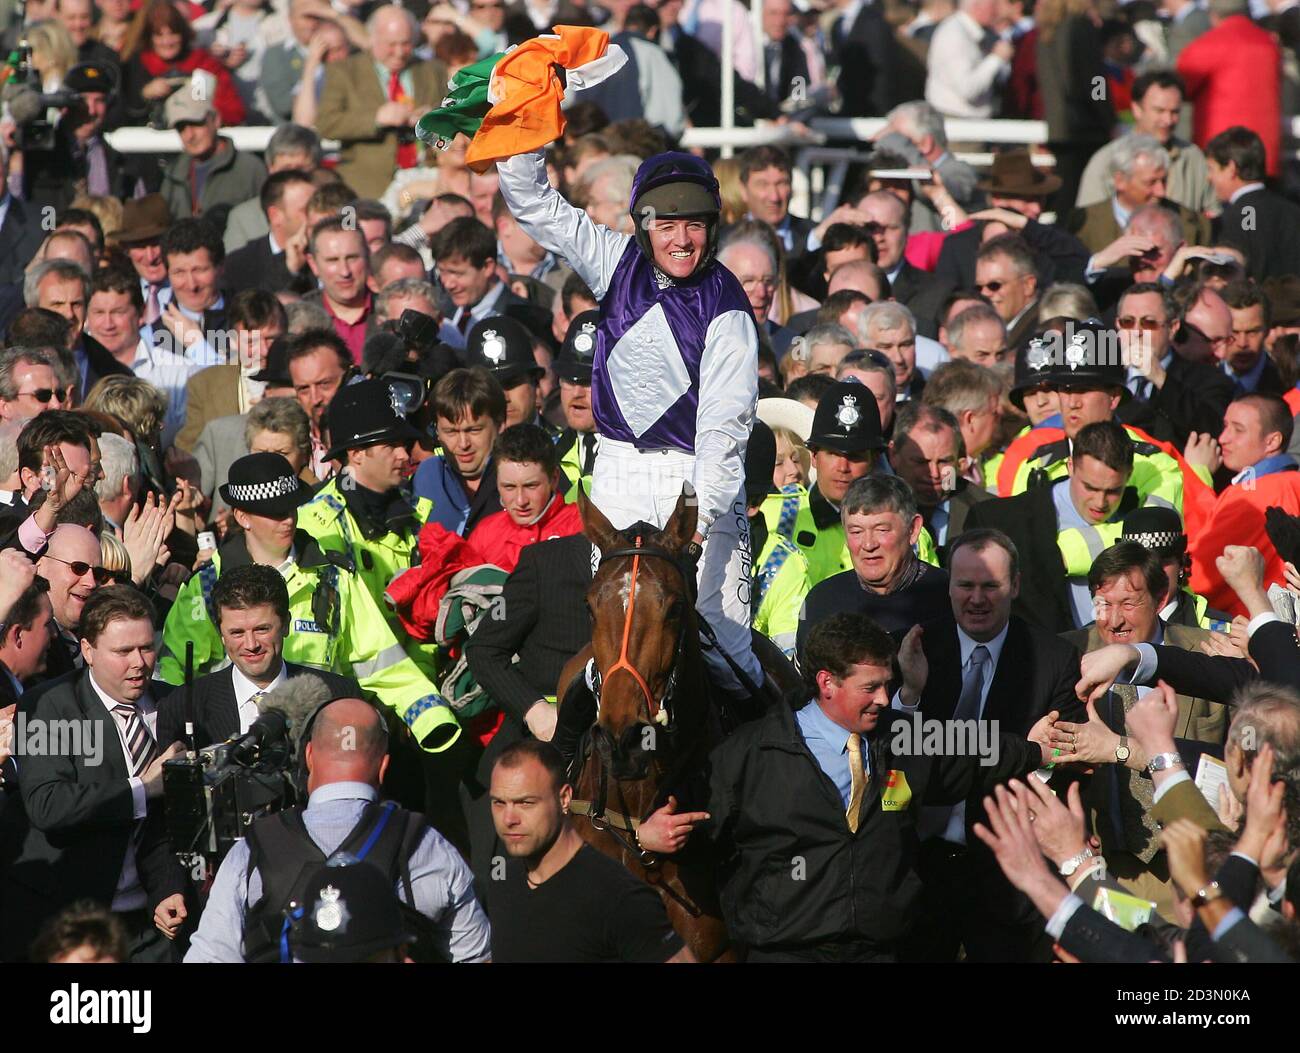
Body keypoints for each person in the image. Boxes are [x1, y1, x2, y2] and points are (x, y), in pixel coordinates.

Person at [634, 611, 1053, 961]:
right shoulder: (749, 754)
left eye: (887, 685)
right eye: (870, 688)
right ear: (826, 683)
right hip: (784, 954)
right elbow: (693, 826)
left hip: (882, 952)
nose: (885, 699)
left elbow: (976, 750)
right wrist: (648, 836)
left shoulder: (905, 738)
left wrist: (1035, 751)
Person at [498, 142, 763, 696]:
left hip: (696, 486)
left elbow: (723, 434)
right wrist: (522, 134)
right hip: (617, 473)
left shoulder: (727, 305)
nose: (681, 240)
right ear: (643, 226)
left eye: (695, 225)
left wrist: (688, 533)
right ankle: (574, 771)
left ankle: (760, 763)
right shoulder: (615, 260)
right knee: (612, 654)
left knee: (727, 654)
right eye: (666, 226)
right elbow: (535, 206)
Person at [157, 460, 456, 752]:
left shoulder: (334, 577)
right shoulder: (208, 584)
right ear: (243, 517)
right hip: (235, 749)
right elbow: (176, 676)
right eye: (274, 513)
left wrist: (430, 718)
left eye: (291, 508)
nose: (287, 519)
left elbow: (380, 660)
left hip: (323, 744)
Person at [185, 689, 490, 963]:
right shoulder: (427, 846)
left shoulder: (251, 851)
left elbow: (210, 955)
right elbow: (476, 955)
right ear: (384, 767)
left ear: (308, 757)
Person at [896, 528, 1083, 962]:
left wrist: (943, 746)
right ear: (949, 586)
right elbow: (900, 746)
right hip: (920, 869)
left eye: (990, 586)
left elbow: (1062, 755)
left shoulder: (1052, 660)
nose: (976, 599)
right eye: (965, 585)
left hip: (1007, 871)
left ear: (1014, 585)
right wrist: (909, 696)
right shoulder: (915, 649)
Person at [0, 586, 185, 962]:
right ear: (88, 650)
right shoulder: (51, 705)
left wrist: (170, 886)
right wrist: (141, 789)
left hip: (152, 924)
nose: (139, 663)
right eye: (123, 652)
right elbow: (48, 804)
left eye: (147, 648)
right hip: (68, 922)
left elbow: (175, 820)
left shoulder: (172, 704)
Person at [1053, 541, 1228, 920]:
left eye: (1129, 604)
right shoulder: (1064, 657)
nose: (1113, 620)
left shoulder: (1209, 654)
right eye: (1102, 604)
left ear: (1161, 596)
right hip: (1107, 867)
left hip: (1193, 864)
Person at [485, 739, 692, 962]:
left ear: (564, 799)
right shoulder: (503, 881)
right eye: (499, 803)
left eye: (525, 803)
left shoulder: (618, 897)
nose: (508, 819)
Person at [966, 420, 1142, 633]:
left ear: (1129, 475)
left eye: (1113, 491)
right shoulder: (1003, 521)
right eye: (1090, 487)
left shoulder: (1140, 516)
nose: (1100, 502)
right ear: (1070, 467)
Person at [796, 474, 950, 661]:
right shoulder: (821, 601)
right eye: (856, 531)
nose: (868, 545)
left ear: (913, 529)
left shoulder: (950, 597)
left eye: (881, 530)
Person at [762, 380, 885, 589]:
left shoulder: (905, 528)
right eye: (833, 453)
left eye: (855, 456)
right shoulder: (771, 518)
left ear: (874, 459)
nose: (843, 467)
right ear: (814, 456)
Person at [316, 5, 446, 199]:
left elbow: (453, 118)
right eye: (391, 44)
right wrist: (377, 118)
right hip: (367, 185)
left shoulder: (432, 70)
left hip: (423, 182)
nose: (400, 52)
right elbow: (327, 123)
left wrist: (431, 118)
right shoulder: (345, 71)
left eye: (406, 43)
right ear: (372, 39)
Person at [1187, 393, 1300, 616]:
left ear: (1272, 441)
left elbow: (1201, 575)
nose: (1223, 438)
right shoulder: (1291, 483)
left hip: (1249, 625)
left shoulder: (1256, 492)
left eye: (1238, 430)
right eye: (1225, 426)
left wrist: (1194, 476)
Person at [1074, 70, 1217, 216]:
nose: (1168, 120)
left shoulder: (1193, 157)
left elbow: (1212, 212)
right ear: (1137, 109)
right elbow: (1089, 221)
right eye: (1159, 111)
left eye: (1175, 112)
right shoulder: (1106, 160)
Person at [1114, 282, 1235, 449]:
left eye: (1148, 323)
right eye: (1127, 322)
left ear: (1172, 328)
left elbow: (1212, 428)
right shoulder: (1104, 376)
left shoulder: (1207, 378)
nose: (1137, 332)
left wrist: (1161, 379)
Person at [1178, 1, 1281, 182]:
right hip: (1265, 153)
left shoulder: (1208, 45)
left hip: (1223, 155)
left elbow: (1180, 86)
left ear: (1213, 14)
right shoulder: (1268, 43)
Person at [467, 425, 583, 574]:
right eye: (509, 487)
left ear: (554, 479)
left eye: (531, 486)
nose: (521, 501)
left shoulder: (582, 526)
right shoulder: (485, 534)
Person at [890, 401, 991, 564]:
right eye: (920, 462)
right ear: (894, 455)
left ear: (960, 462)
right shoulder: (875, 510)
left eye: (944, 462)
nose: (934, 474)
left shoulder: (987, 512)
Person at [414, 368, 506, 535]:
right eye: (451, 432)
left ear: (500, 425)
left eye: (474, 430)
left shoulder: (523, 473)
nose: (463, 444)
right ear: (436, 431)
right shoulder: (425, 478)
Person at [156, 91, 267, 229]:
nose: (189, 135)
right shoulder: (173, 174)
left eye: (196, 123)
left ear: (216, 120)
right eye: (181, 128)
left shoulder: (251, 169)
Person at [1206, 125, 1300, 280]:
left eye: (1211, 169)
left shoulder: (1237, 217)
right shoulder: (1293, 211)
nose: (1208, 177)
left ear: (1231, 168)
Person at [222, 171, 316, 296]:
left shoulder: (327, 254)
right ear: (275, 216)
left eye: (318, 207)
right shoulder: (239, 265)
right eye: (307, 210)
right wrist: (288, 271)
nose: (316, 215)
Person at [924, 0, 1013, 119]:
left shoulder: (978, 32)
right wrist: (996, 58)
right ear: (976, 6)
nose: (998, 11)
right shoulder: (954, 35)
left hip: (969, 121)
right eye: (993, 5)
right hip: (957, 123)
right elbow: (968, 89)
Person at [461, 316, 552, 432]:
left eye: (512, 383)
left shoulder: (566, 447)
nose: (504, 398)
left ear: (535, 381)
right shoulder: (454, 449)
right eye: (491, 389)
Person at [553, 310, 599, 501]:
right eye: (569, 381)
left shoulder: (640, 457)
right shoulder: (548, 451)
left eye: (588, 382)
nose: (577, 393)